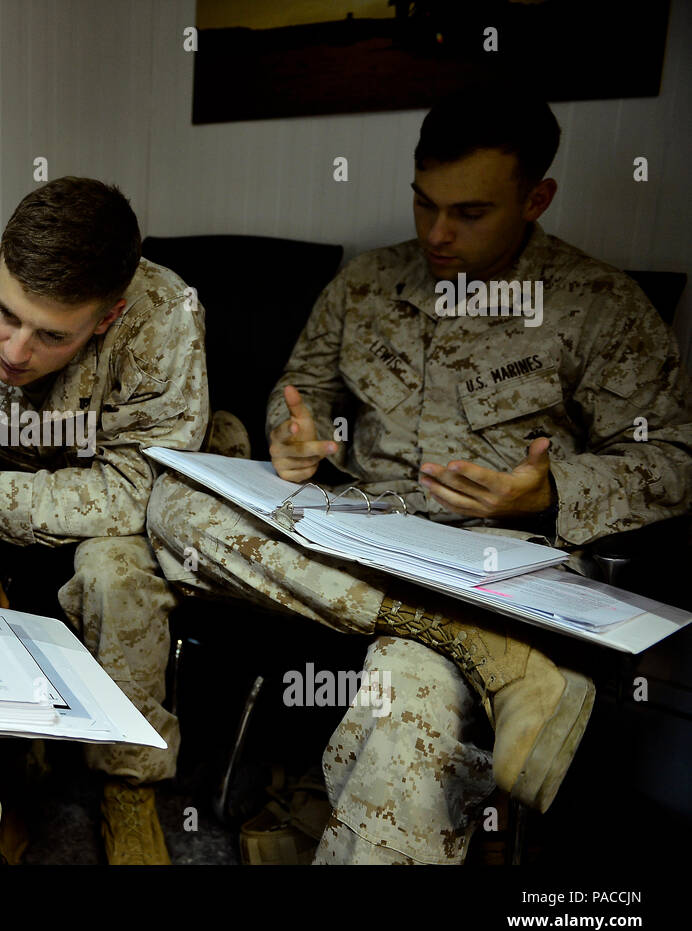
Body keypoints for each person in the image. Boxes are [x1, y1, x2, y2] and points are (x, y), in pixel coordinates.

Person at [146, 87, 692, 864]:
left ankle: (433, 686)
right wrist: (298, 434)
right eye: (424, 202)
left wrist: (553, 490)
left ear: (537, 198)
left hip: (493, 564)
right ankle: (494, 662)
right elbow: (305, 389)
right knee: (171, 505)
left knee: (415, 695)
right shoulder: (367, 285)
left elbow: (674, 459)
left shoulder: (599, 307)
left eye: (469, 213)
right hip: (352, 531)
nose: (437, 232)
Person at [0, 177, 212, 864]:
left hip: (119, 506)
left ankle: (127, 786)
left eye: (50, 335)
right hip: (4, 487)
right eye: (5, 313)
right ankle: (3, 758)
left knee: (118, 577)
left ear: (107, 317)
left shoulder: (164, 322)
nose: (12, 349)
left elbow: (141, 490)